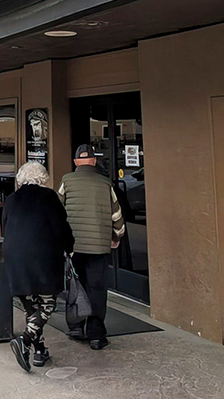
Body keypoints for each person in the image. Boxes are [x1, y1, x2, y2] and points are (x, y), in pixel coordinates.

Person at [2, 161, 74, 372]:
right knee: (48, 304)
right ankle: (24, 340)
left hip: (15, 257)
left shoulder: (11, 199)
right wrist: (69, 248)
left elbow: (5, 226)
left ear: (21, 178)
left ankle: (39, 351)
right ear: (43, 178)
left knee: (32, 307)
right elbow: (61, 227)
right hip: (42, 258)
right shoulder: (49, 197)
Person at [58, 144, 125, 350]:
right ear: (94, 161)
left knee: (75, 287)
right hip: (99, 247)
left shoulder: (66, 181)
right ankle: (96, 334)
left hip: (74, 247)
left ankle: (76, 326)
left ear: (76, 162)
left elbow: (57, 211)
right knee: (97, 289)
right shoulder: (106, 184)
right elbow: (117, 217)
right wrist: (115, 237)